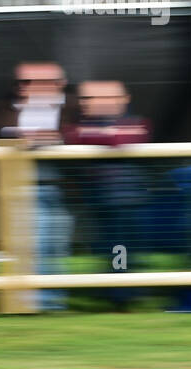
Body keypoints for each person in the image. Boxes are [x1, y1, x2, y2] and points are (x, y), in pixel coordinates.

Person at [63, 79, 151, 307]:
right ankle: (119, 298)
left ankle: (127, 295)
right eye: (90, 98)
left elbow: (122, 139)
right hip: (103, 202)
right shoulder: (76, 125)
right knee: (113, 248)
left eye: (106, 98)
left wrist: (99, 134)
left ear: (124, 99)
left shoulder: (138, 122)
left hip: (132, 200)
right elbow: (75, 136)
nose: (98, 103)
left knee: (131, 249)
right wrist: (103, 134)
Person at [0, 61, 72, 310]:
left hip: (61, 186)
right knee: (28, 246)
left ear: (60, 85)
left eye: (43, 82)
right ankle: (33, 302)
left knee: (55, 245)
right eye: (26, 82)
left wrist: (53, 138)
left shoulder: (72, 108)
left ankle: (51, 301)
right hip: (18, 185)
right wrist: (19, 136)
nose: (33, 88)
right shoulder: (4, 108)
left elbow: (79, 132)